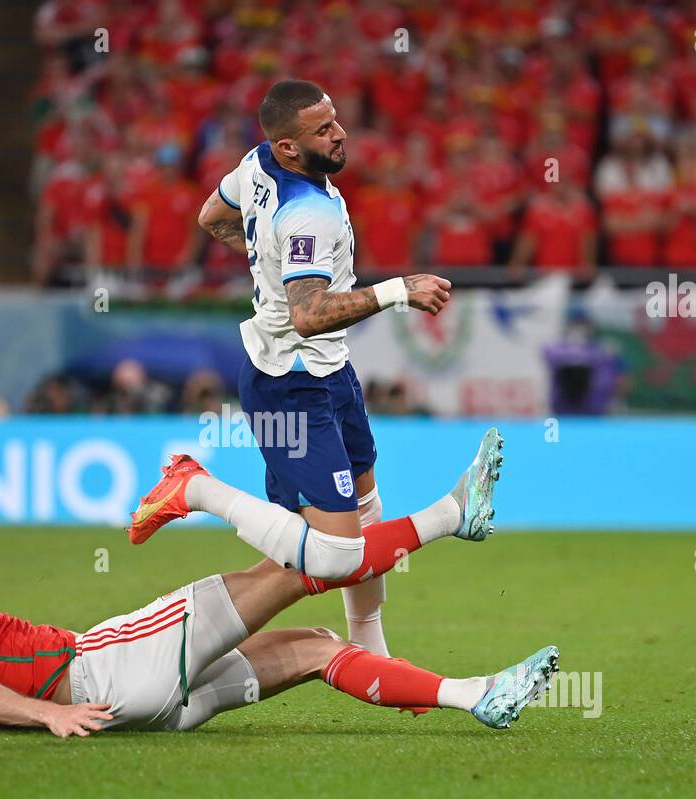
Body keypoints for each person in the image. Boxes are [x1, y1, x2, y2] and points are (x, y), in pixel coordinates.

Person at [0, 447, 557, 736]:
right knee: (298, 571)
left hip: (141, 708)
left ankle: (476, 695)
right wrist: (48, 717)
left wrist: (35, 713)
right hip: (104, 669)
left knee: (314, 648)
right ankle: (452, 516)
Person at [195, 78, 488, 662]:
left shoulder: (256, 165)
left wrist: (263, 259)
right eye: (323, 129)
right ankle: (198, 491)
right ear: (287, 148)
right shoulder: (307, 214)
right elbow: (306, 316)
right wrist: (396, 291)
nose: (340, 133)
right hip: (289, 384)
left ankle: (369, 649)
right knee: (334, 552)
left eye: (336, 119)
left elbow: (211, 217)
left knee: (363, 511)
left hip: (331, 371)